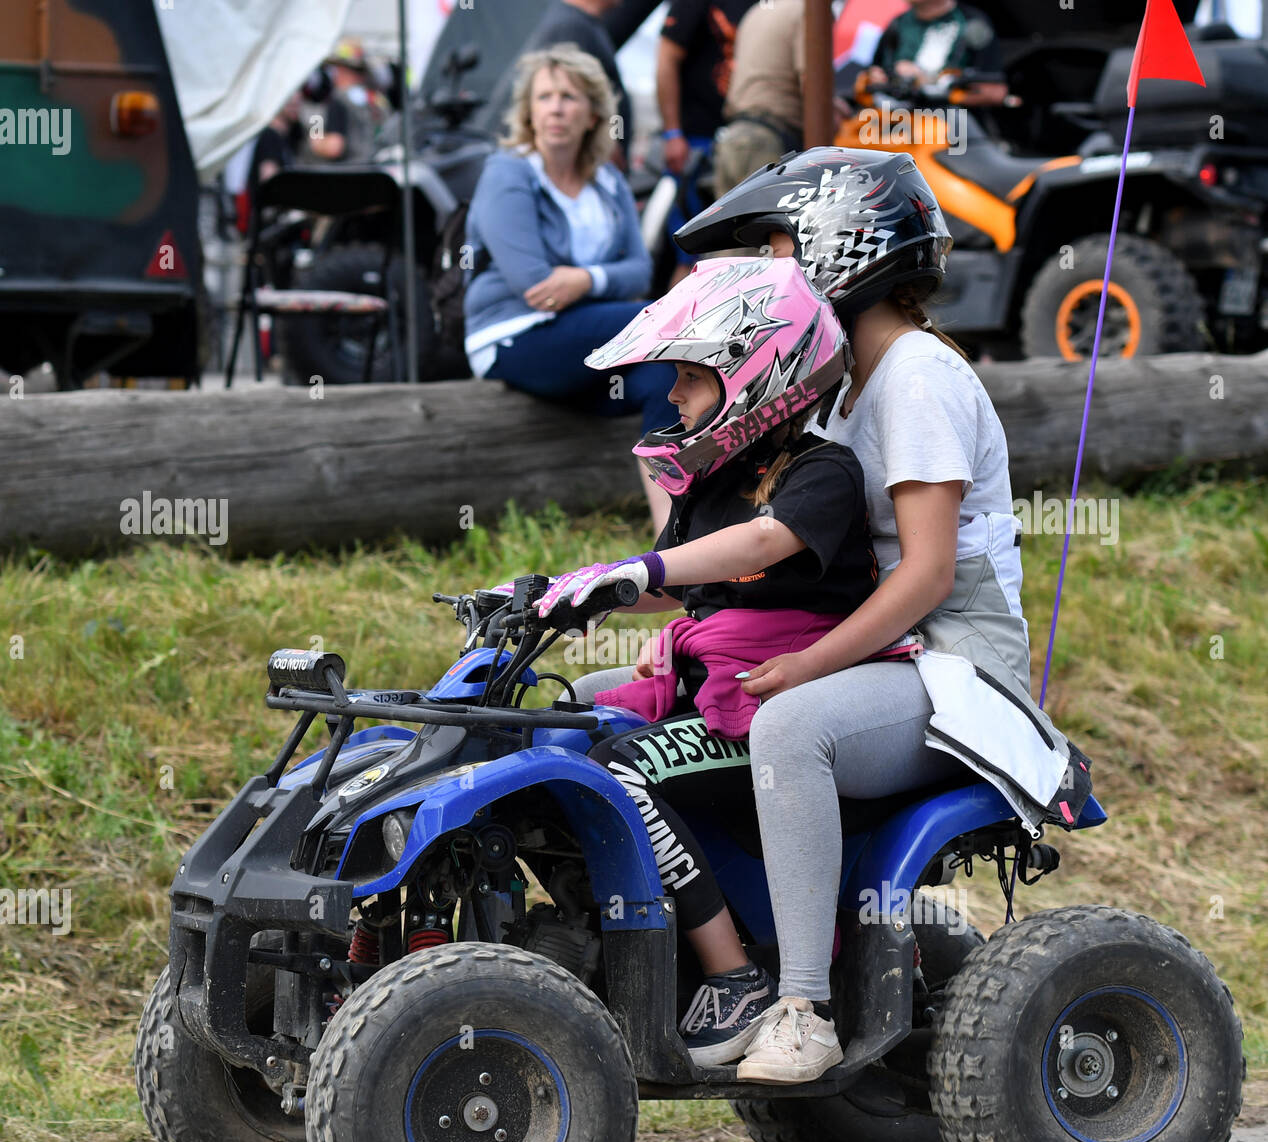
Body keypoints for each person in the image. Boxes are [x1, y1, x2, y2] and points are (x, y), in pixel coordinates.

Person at [672, 148, 1091, 1082]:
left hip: (952, 663)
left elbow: (930, 575)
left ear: (840, 248)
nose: (769, 274)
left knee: (788, 726)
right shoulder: (845, 388)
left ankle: (801, 1008)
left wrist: (808, 665)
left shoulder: (915, 378)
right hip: (888, 650)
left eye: (781, 249)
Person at [536, 256, 916, 1066]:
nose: (673, 394)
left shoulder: (823, 471)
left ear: (757, 373)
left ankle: (734, 974)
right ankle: (600, 921)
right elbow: (673, 586)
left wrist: (648, 569)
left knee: (620, 771)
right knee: (557, 724)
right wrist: (570, 589)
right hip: (714, 678)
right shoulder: (712, 481)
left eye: (687, 376)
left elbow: (763, 542)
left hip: (763, 694)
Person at [465, 44, 678, 530]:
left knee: (664, 381)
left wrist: (584, 278)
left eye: (569, 97)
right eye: (544, 97)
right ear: (528, 112)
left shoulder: (608, 180)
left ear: (593, 115)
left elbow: (638, 269)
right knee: (664, 317)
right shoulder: (508, 173)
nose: (556, 108)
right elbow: (533, 286)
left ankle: (673, 542)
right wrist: (600, 284)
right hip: (515, 336)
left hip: (584, 339)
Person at [714, 0, 853, 199]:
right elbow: (812, 83)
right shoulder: (811, 11)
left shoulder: (758, 10)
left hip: (733, 138)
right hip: (767, 143)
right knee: (774, 226)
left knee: (732, 229)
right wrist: (833, 125)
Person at [657, 0, 754, 282]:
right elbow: (666, 57)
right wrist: (672, 132)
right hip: (697, 141)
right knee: (691, 251)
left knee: (738, 252)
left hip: (741, 142)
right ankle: (677, 326)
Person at [518, 0, 632, 168]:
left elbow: (611, 94)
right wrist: (609, 142)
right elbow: (574, 96)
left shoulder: (589, 24)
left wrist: (614, 137)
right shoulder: (571, 26)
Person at [866, 0, 1008, 106]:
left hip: (949, 126)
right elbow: (872, 72)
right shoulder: (898, 23)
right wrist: (880, 78)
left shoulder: (972, 23)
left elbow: (995, 91)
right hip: (895, 122)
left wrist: (929, 87)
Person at [308, 39, 389, 163]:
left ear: (342, 70)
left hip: (347, 175)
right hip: (375, 172)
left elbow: (333, 147)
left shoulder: (337, 100)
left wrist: (315, 138)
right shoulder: (378, 101)